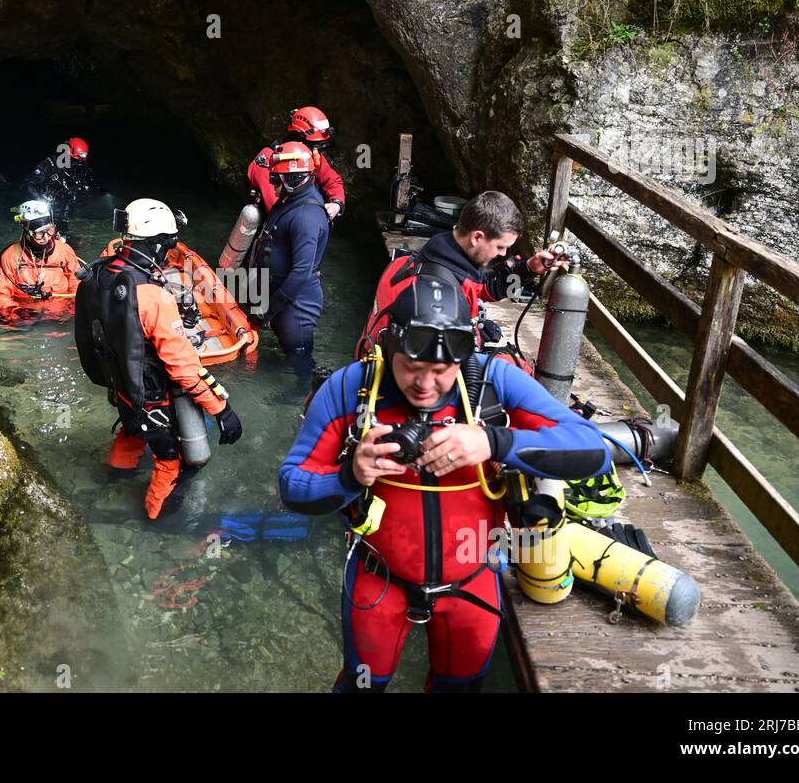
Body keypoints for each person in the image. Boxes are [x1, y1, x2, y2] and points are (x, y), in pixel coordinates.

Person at [280, 269, 610, 692]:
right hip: (379, 580)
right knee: (361, 686)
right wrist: (350, 474)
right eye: (411, 368)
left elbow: (593, 450)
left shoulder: (493, 383)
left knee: (459, 687)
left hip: (472, 582)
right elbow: (292, 485)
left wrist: (495, 441)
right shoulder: (352, 388)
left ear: (461, 358)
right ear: (389, 346)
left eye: (441, 371)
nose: (425, 385)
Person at [75, 199, 243, 519]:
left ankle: (113, 477)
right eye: (167, 243)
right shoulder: (153, 295)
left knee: (131, 430)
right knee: (169, 461)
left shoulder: (97, 275)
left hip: (119, 386)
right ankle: (158, 520)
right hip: (149, 394)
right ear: (155, 243)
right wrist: (222, 409)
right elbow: (182, 366)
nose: (168, 251)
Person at [356, 190, 565, 357]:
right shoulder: (445, 297)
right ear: (477, 237)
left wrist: (529, 268)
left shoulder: (416, 260)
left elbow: (485, 287)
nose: (504, 254)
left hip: (373, 359)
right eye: (501, 247)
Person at [248, 142, 330, 377]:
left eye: (276, 179)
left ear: (293, 179)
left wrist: (268, 310)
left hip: (296, 303)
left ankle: (303, 392)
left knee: (299, 356)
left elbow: (301, 271)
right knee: (287, 348)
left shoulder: (306, 216)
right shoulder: (290, 202)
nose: (272, 184)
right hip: (277, 291)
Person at [0, 200, 82, 325]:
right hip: (26, 318)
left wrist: (73, 309)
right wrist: (17, 312)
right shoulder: (10, 256)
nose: (46, 237)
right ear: (27, 231)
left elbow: (78, 285)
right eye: (39, 233)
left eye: (50, 230)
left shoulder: (64, 251)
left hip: (63, 316)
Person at [247, 106, 345, 219]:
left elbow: (333, 181)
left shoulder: (312, 154)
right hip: (271, 226)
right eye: (314, 145)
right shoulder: (267, 159)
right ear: (299, 138)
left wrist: (336, 204)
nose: (316, 151)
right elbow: (275, 208)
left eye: (320, 146)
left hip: (302, 218)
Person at [20, 137, 100, 231]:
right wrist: (40, 204)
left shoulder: (81, 166)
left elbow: (92, 185)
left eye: (80, 161)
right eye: (74, 160)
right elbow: (27, 185)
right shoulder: (50, 165)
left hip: (68, 208)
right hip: (48, 207)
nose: (78, 164)